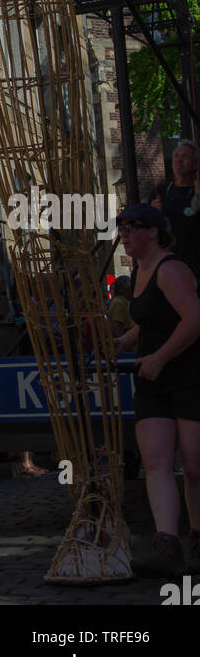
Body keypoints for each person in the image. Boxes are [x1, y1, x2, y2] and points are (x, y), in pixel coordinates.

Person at [114, 202, 200, 576]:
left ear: (152, 231)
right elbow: (151, 320)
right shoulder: (140, 269)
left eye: (132, 226)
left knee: (195, 464)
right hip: (152, 379)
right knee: (155, 461)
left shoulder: (171, 267)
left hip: (188, 373)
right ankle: (167, 544)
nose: (124, 233)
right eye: (121, 226)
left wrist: (161, 357)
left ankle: (197, 537)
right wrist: (123, 341)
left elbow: (194, 319)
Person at [154, 141, 200, 274]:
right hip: (167, 265)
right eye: (176, 156)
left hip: (194, 265)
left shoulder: (197, 191)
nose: (179, 159)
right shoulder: (160, 191)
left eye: (185, 156)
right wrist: (152, 212)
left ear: (195, 164)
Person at [108, 275, 134, 343]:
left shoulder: (123, 301)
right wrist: (125, 344)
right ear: (126, 289)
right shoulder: (119, 303)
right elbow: (115, 326)